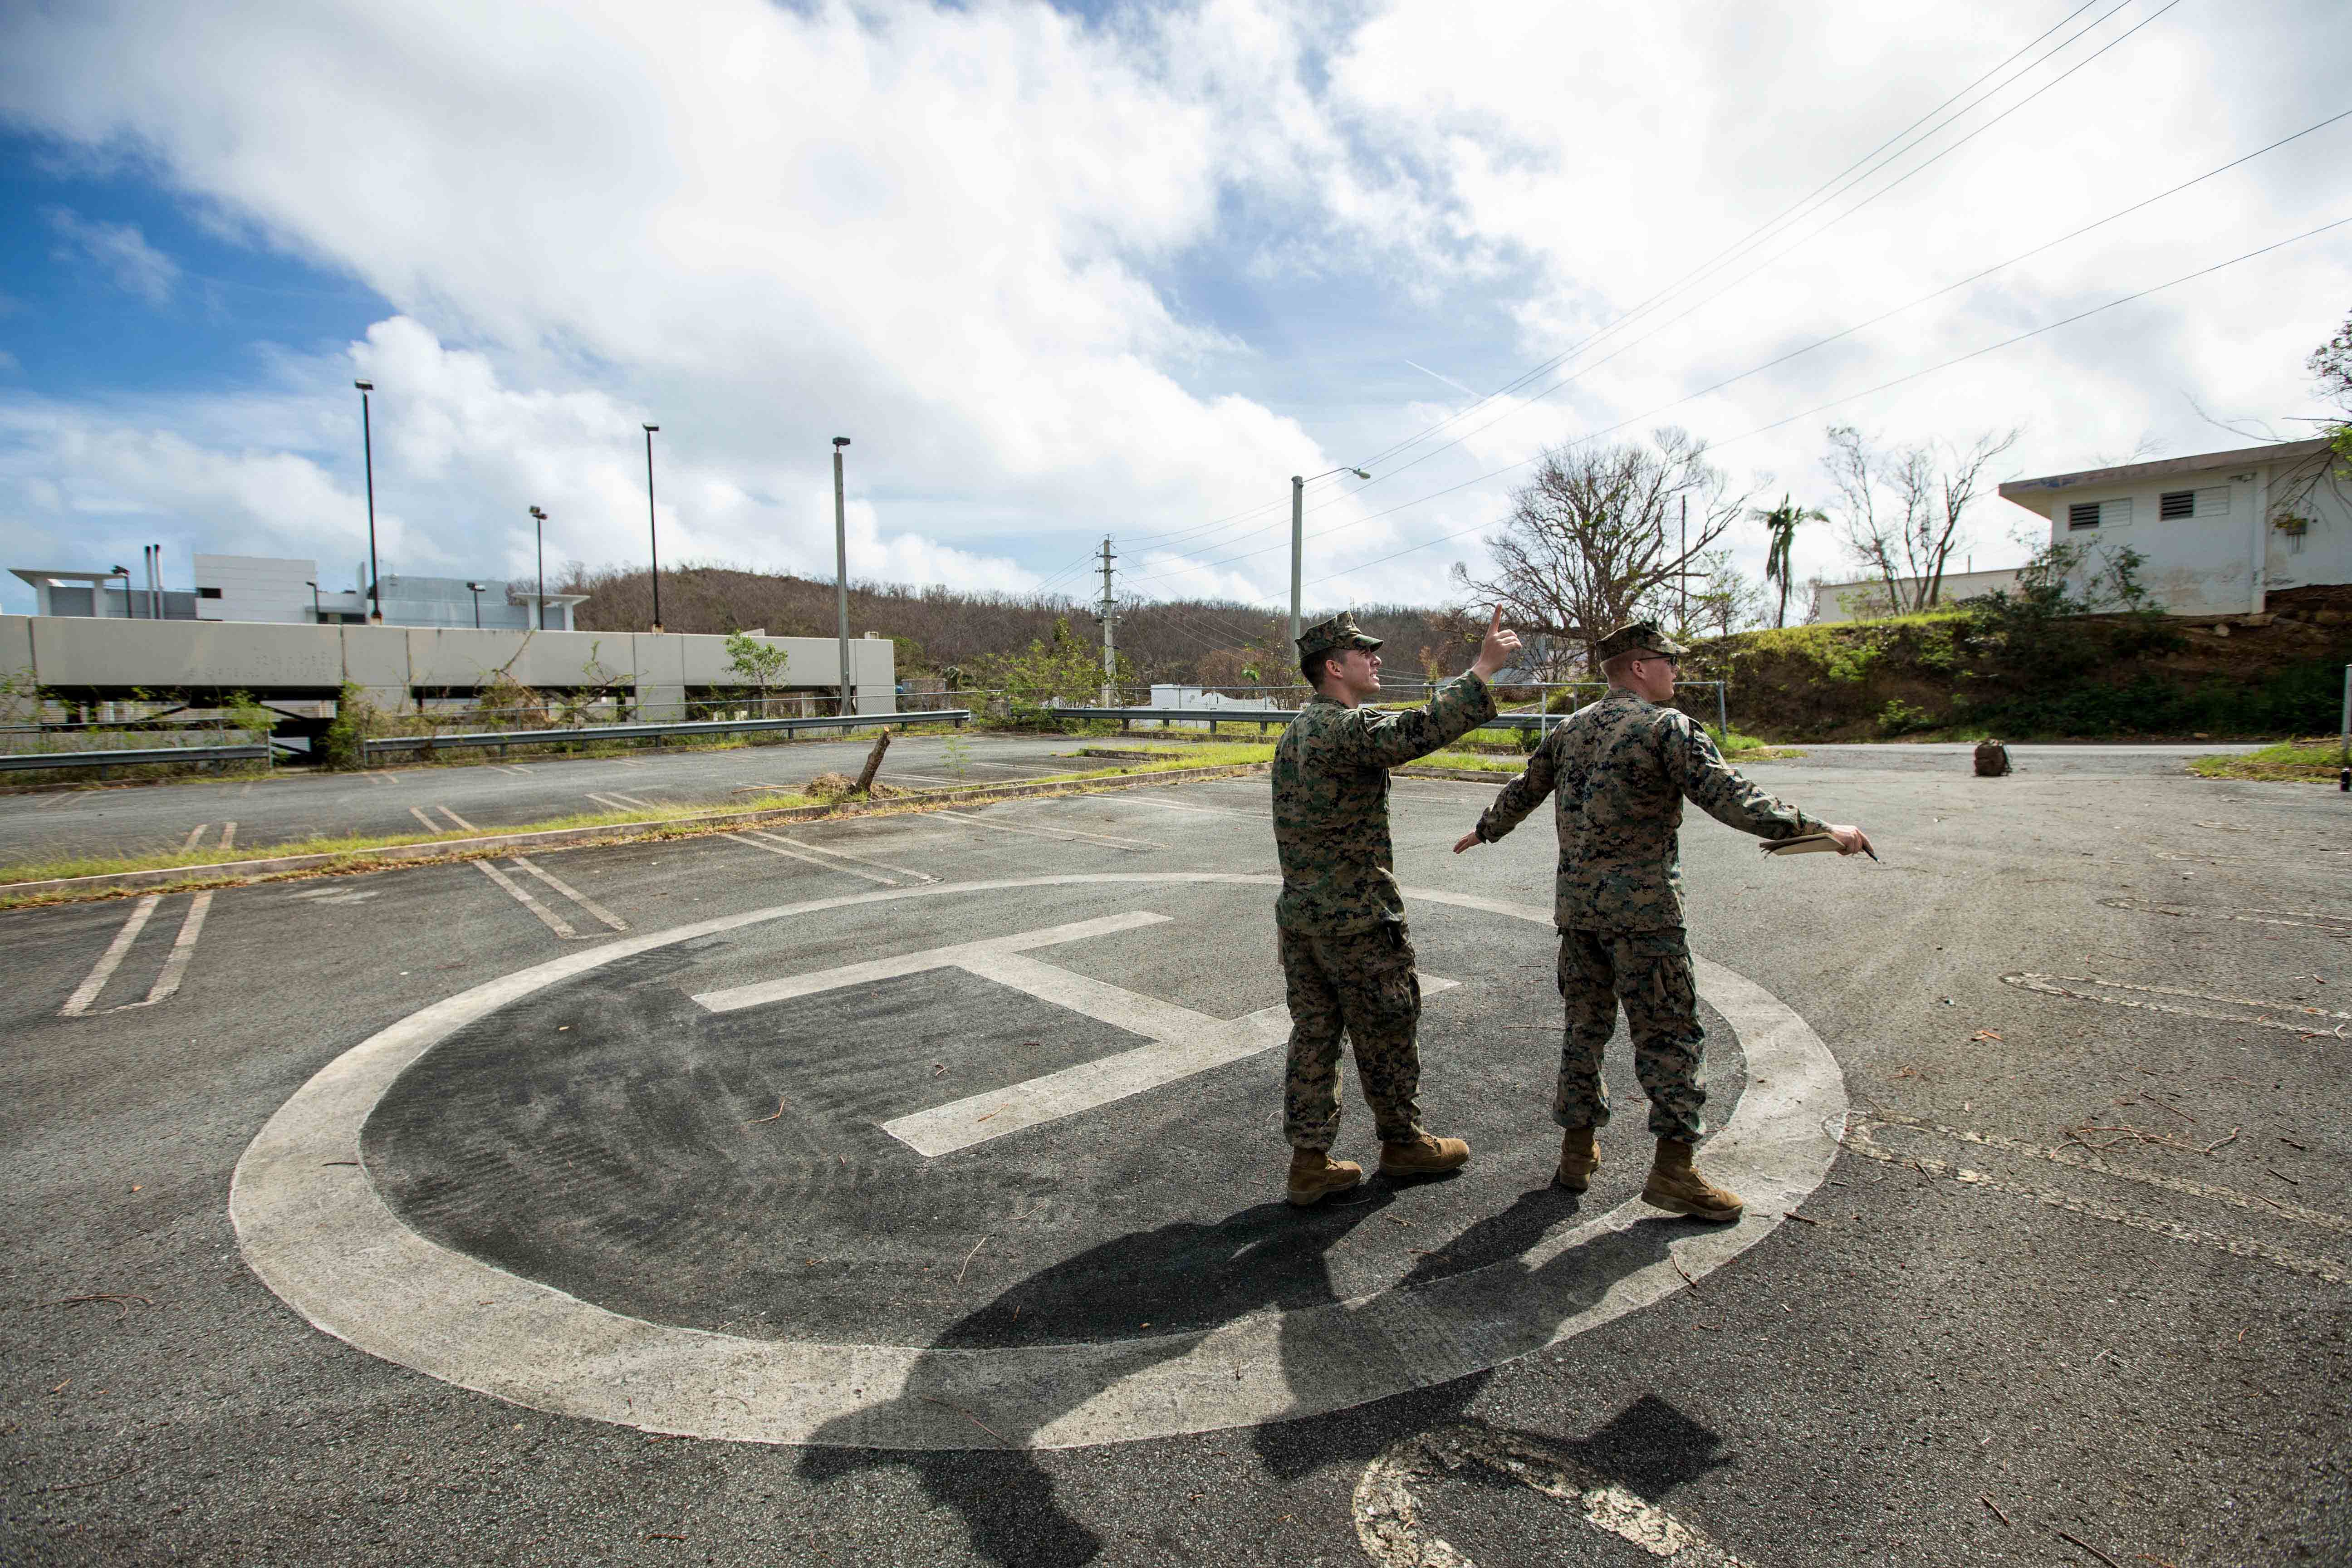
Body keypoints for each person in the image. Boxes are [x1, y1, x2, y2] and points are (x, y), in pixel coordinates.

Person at [1452, 622, 1871, 1222]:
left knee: (1584, 1030)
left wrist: (1488, 829)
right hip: (1645, 916)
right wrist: (1825, 833)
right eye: (1668, 661)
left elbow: (1526, 787)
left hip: (1579, 914)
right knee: (1672, 1038)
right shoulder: (1665, 728)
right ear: (1640, 666)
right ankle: (1674, 1172)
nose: (1676, 671)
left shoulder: (1570, 730)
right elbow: (1733, 798)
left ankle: (1576, 1153)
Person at [1273, 606, 1523, 1206]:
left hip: (1304, 919)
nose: (1377, 659)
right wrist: (1483, 671)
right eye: (1365, 653)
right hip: (1357, 921)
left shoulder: (1295, 733)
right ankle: (1404, 1142)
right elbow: (1416, 731)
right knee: (1387, 1028)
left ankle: (1309, 1162)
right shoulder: (1342, 728)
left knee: (1315, 1037)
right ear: (1334, 667)